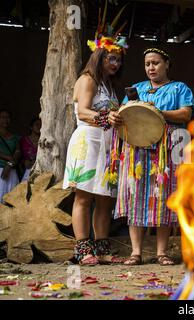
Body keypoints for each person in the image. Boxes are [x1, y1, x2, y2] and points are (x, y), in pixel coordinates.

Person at [109, 48, 194, 266]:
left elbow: (186, 114)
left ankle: (161, 252)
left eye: (156, 63)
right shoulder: (137, 88)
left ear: (167, 64)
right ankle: (135, 252)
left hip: (168, 147)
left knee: (163, 197)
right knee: (136, 195)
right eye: (147, 64)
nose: (151, 68)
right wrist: (115, 118)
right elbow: (123, 113)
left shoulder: (179, 88)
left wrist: (157, 111)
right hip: (137, 147)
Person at [62, 28, 128, 265]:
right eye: (112, 58)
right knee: (84, 197)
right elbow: (82, 111)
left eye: (119, 59)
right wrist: (105, 118)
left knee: (105, 199)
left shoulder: (109, 86)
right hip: (88, 141)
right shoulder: (87, 79)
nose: (116, 63)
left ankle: (102, 248)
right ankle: (83, 250)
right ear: (99, 55)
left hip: (108, 145)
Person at [0, 110, 21, 203]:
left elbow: (18, 152)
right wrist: (10, 160)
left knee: (11, 200)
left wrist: (10, 164)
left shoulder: (15, 137)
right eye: (3, 117)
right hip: (1, 170)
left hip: (11, 171)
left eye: (8, 117)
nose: (6, 120)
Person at [20, 117, 41, 181]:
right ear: (31, 127)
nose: (39, 127)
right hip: (27, 170)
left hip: (42, 170)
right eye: (37, 124)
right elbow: (18, 156)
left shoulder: (45, 140)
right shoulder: (23, 140)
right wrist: (24, 161)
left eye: (41, 125)